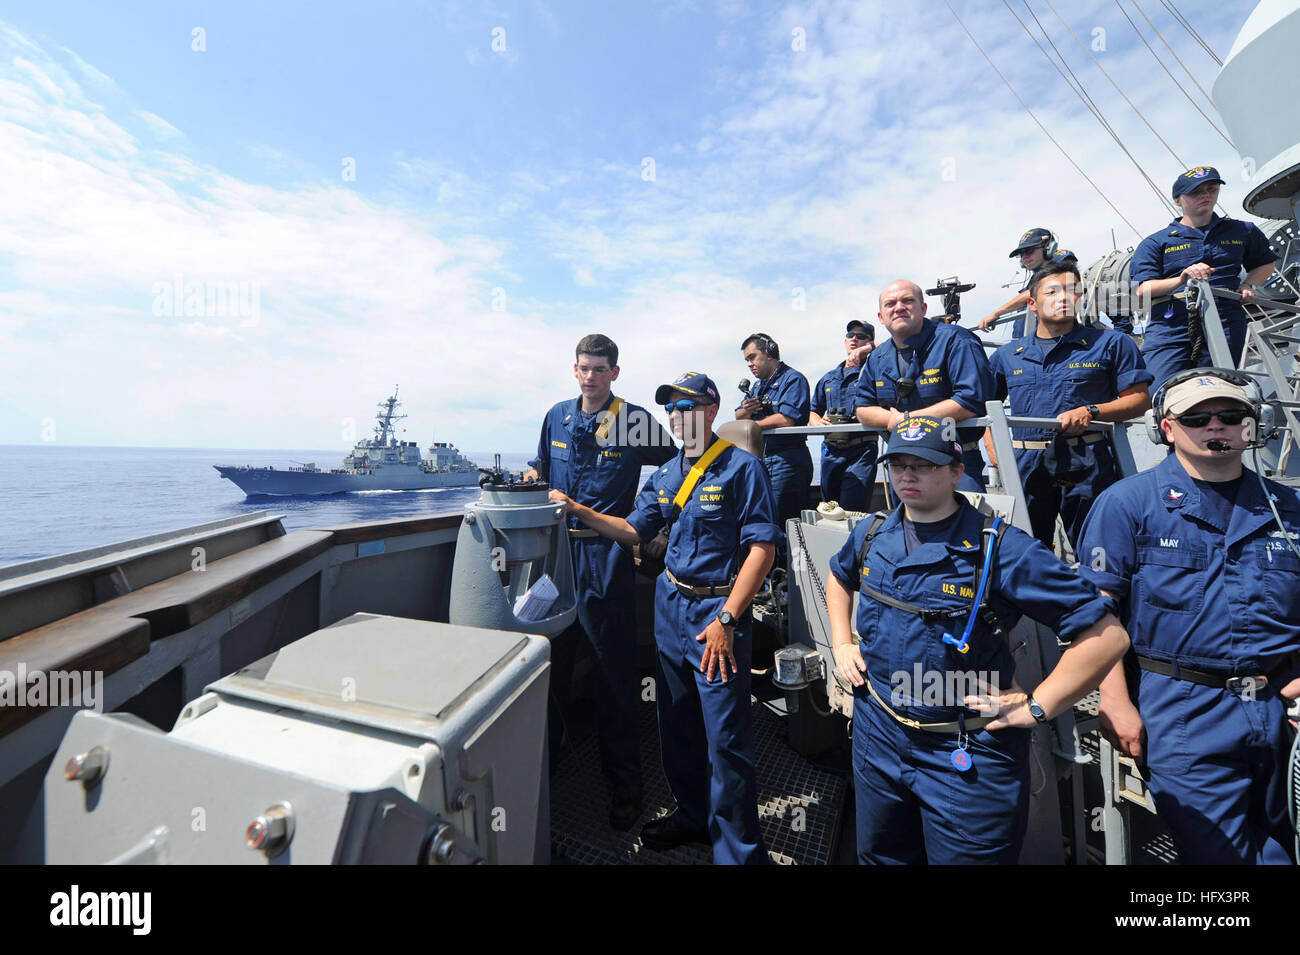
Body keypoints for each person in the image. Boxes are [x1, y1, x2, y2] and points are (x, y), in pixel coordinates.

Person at [825, 417, 1129, 864]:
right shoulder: (870, 534)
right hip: (879, 730)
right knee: (881, 856)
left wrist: (1037, 706)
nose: (907, 476)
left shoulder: (1001, 549)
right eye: (898, 465)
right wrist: (841, 643)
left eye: (923, 465)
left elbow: (1106, 636)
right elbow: (838, 575)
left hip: (965, 749)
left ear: (954, 470)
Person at [550, 371, 779, 865]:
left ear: (712, 411)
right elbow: (634, 532)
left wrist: (729, 620)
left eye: (688, 406)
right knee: (676, 723)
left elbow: (762, 549)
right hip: (670, 606)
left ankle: (738, 852)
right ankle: (693, 815)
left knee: (726, 742)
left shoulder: (742, 468)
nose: (678, 416)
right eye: (672, 409)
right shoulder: (668, 474)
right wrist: (576, 508)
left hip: (717, 615)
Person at [1078, 369, 1300, 864]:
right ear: (1168, 429)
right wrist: (1114, 700)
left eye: (1231, 416)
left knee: (1285, 848)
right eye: (1198, 418)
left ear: (1251, 427)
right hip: (1183, 708)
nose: (1215, 426)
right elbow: (1095, 612)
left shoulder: (1288, 507)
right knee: (1221, 858)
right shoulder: (1127, 505)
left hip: (1279, 707)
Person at [523, 334, 676, 830]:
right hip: (555, 554)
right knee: (548, 663)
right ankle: (544, 767)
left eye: (600, 369)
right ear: (574, 370)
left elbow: (676, 467)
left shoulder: (632, 421)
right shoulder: (557, 416)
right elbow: (543, 466)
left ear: (615, 372)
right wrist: (531, 476)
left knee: (614, 672)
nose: (591, 377)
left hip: (603, 552)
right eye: (584, 368)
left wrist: (658, 522)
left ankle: (625, 783)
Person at [987, 262, 1153, 550]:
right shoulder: (1006, 356)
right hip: (1026, 464)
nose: (1063, 297)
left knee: (1097, 548)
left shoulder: (1111, 344)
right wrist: (997, 454)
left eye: (1071, 291)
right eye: (1052, 291)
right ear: (1032, 303)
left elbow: (1139, 400)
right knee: (1024, 551)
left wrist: (1092, 411)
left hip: (1087, 459)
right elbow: (984, 409)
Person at [1131, 166, 1277, 388]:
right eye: (1196, 192)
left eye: (1212, 188)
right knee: (1161, 389)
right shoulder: (1156, 242)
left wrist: (1248, 284)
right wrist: (1181, 279)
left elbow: (1266, 262)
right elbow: (1142, 290)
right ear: (1177, 200)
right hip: (1171, 326)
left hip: (1225, 318)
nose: (1206, 195)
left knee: (1217, 386)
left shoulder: (1242, 231)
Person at [854, 279, 995, 494]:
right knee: (906, 526)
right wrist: (893, 420)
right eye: (890, 304)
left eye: (908, 301)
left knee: (964, 525)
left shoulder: (956, 341)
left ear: (923, 309)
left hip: (953, 461)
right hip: (902, 463)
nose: (899, 307)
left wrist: (909, 419)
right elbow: (863, 408)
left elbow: (970, 400)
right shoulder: (877, 358)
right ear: (881, 317)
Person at [735, 333, 813, 538]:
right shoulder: (758, 386)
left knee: (784, 521)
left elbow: (787, 419)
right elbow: (738, 415)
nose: (749, 364)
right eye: (746, 360)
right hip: (763, 460)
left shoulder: (793, 379)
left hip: (787, 461)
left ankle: (788, 568)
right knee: (766, 518)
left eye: (752, 357)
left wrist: (753, 425)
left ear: (769, 352)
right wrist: (746, 410)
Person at [810, 320, 878, 511]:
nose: (854, 339)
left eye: (861, 336)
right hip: (830, 453)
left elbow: (896, 343)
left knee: (851, 512)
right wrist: (817, 423)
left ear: (870, 342)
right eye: (850, 335)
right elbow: (813, 410)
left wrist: (865, 351)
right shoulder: (829, 377)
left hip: (860, 452)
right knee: (828, 511)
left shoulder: (875, 370)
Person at [977, 228, 1078, 337]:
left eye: (1029, 251)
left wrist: (996, 313)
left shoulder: (1062, 266)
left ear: (1048, 248)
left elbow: (1035, 292)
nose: (1024, 257)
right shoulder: (1033, 280)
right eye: (1021, 254)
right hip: (1026, 345)